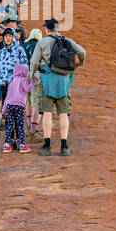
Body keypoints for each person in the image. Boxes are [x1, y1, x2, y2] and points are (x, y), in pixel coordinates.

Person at [29, 18, 86, 157]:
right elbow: (82, 52)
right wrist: (80, 64)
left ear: (47, 29)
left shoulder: (42, 42)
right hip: (63, 80)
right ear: (57, 28)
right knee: (63, 113)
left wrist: (30, 77)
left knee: (47, 112)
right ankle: (64, 146)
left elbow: (34, 62)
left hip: (47, 79)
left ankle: (47, 146)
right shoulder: (67, 40)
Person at [2, 61, 32, 152]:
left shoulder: (12, 82)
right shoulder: (23, 80)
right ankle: (22, 145)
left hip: (10, 105)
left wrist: (4, 110)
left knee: (9, 126)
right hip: (19, 106)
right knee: (20, 126)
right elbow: (27, 89)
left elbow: (7, 97)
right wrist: (34, 81)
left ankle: (6, 145)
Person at [0, 25, 28, 104]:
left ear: (13, 37)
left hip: (16, 85)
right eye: (6, 36)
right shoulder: (1, 52)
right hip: (4, 85)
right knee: (5, 107)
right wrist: (1, 79)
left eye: (10, 36)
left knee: (16, 107)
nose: (7, 38)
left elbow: (25, 66)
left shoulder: (19, 49)